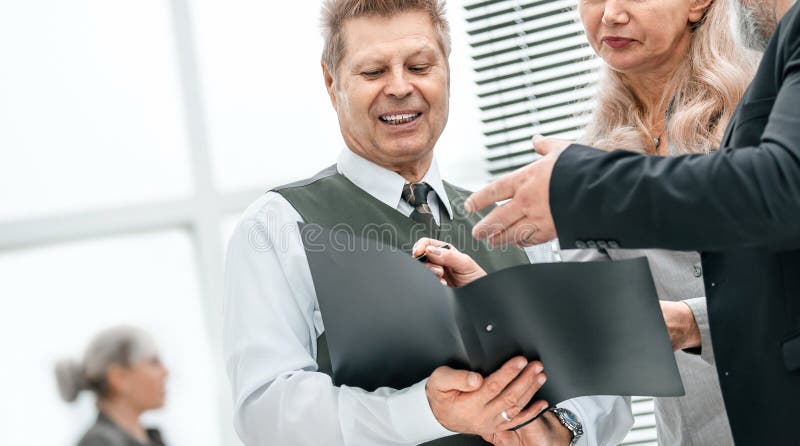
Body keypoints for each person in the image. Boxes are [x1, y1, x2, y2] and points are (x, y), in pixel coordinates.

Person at [222, 1, 632, 445]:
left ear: (447, 72)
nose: (399, 87)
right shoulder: (279, 225)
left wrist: (561, 432)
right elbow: (265, 414)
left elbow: (598, 378)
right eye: (373, 72)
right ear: (331, 81)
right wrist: (425, 412)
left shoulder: (518, 220)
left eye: (419, 65)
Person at [419, 0, 758, 444]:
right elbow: (593, 327)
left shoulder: (764, 122)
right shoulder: (594, 154)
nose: (611, 14)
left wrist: (686, 323)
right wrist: (491, 302)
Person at [54, 325, 169, 446]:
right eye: (153, 362)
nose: (165, 372)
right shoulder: (99, 442)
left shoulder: (152, 439)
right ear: (119, 377)